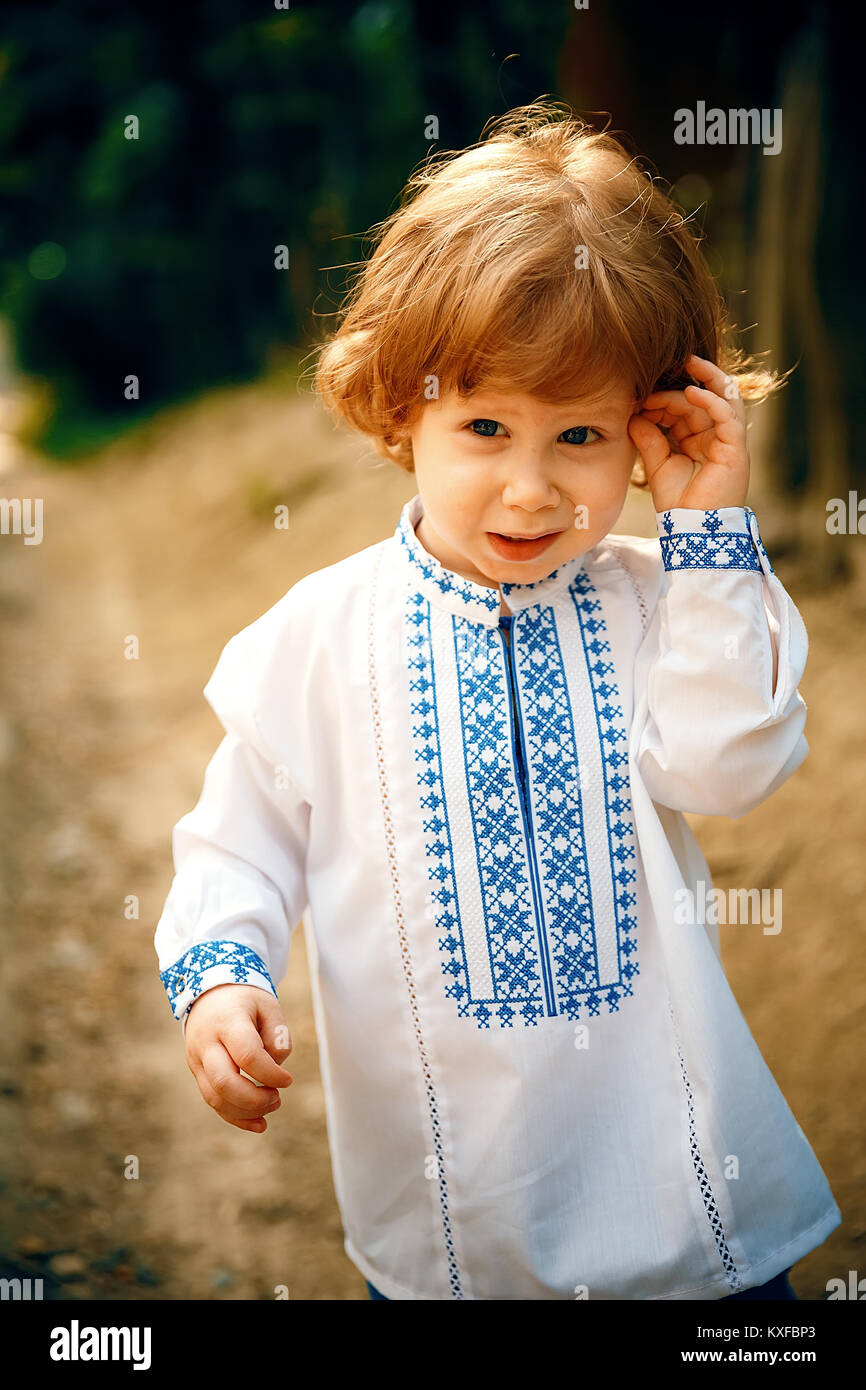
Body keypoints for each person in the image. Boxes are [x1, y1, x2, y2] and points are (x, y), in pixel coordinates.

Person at [153, 101, 841, 1300]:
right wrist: (223, 976)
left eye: (579, 434)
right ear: (396, 406)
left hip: (691, 1218)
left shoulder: (668, 600)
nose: (529, 489)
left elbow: (727, 770)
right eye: (482, 426)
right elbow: (236, 846)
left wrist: (708, 530)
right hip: (451, 1229)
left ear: (647, 429)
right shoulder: (315, 640)